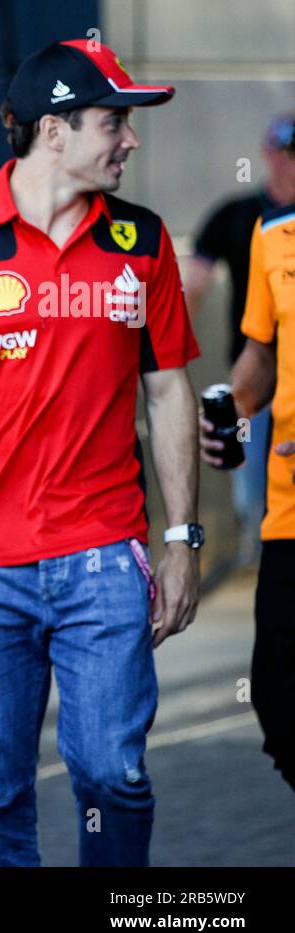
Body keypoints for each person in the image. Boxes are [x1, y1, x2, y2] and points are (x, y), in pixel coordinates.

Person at [0, 39, 202, 866]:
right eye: (113, 123)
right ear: (54, 130)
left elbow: (168, 388)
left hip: (105, 559)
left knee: (114, 771)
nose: (129, 141)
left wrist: (181, 542)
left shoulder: (142, 239)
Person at [200, 198, 295, 791]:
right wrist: (234, 406)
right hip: (287, 514)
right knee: (280, 702)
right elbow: (262, 351)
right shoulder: (276, 236)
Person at [183, 114, 295, 562]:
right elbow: (192, 286)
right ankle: (263, 548)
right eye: (284, 153)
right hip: (258, 380)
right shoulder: (244, 217)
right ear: (268, 154)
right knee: (256, 496)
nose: (289, 163)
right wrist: (168, 367)